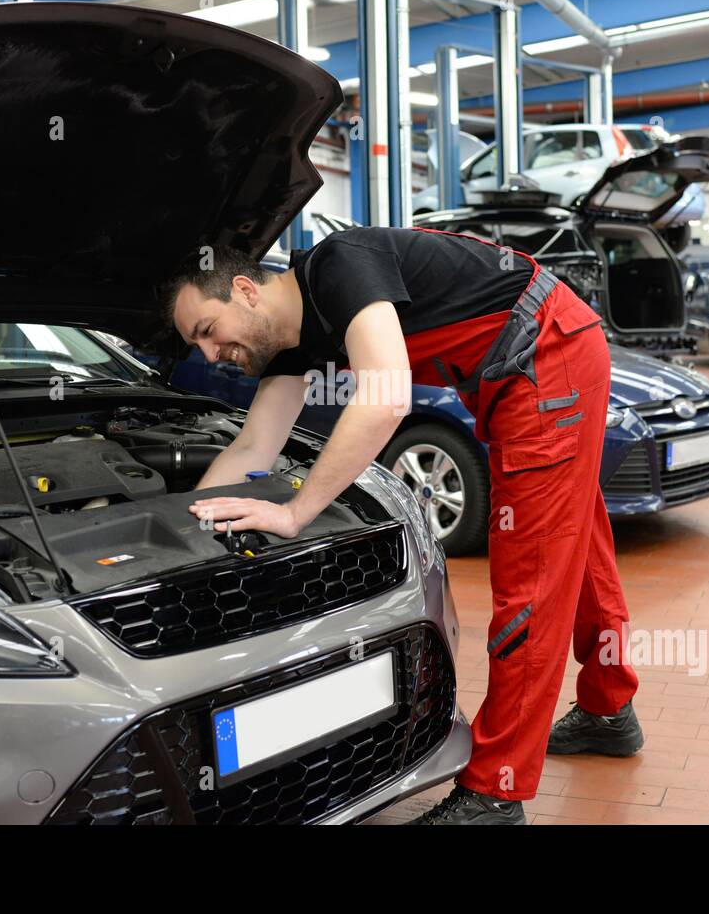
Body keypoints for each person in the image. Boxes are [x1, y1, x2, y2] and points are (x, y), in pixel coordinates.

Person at [165, 227, 642, 825]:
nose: (211, 355)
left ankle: (497, 791)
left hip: (547, 358)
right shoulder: (291, 344)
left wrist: (295, 511)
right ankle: (608, 708)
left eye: (208, 331)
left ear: (244, 290)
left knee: (534, 577)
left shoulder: (339, 264)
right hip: (520, 367)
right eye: (197, 347)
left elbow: (387, 394)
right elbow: (254, 445)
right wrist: (185, 528)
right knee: (579, 544)